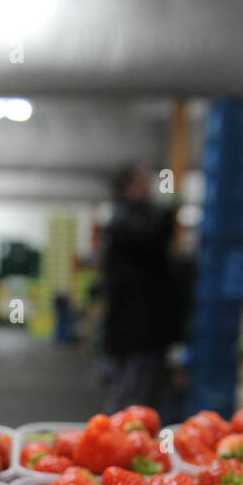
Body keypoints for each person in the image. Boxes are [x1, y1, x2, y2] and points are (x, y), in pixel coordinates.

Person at [100, 164, 178, 415]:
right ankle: (116, 447)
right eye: (141, 182)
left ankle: (129, 445)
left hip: (142, 331)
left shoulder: (129, 217)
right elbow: (149, 234)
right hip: (135, 332)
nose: (148, 188)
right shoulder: (125, 219)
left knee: (143, 400)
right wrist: (170, 209)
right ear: (127, 187)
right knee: (132, 400)